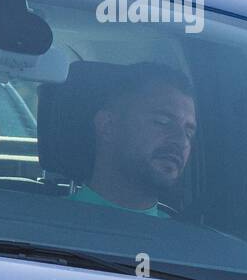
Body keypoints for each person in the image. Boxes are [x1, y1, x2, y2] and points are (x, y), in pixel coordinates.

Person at [68, 62, 195, 218]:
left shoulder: (186, 238)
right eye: (162, 121)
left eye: (188, 133)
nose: (181, 141)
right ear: (108, 126)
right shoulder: (42, 226)